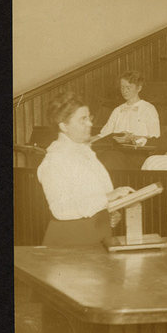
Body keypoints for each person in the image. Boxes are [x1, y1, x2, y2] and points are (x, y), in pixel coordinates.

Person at [37, 93, 136, 246]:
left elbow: (92, 197)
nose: (90, 124)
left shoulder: (85, 152)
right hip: (71, 245)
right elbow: (61, 209)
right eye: (83, 119)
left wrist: (109, 212)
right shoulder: (55, 160)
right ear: (64, 126)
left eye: (89, 118)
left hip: (96, 237)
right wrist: (107, 198)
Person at [96, 71, 161, 146]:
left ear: (139, 88)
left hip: (138, 151)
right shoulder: (117, 110)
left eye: (128, 87)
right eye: (122, 87)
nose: (124, 91)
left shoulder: (148, 108)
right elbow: (103, 135)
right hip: (116, 149)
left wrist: (131, 138)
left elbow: (155, 137)